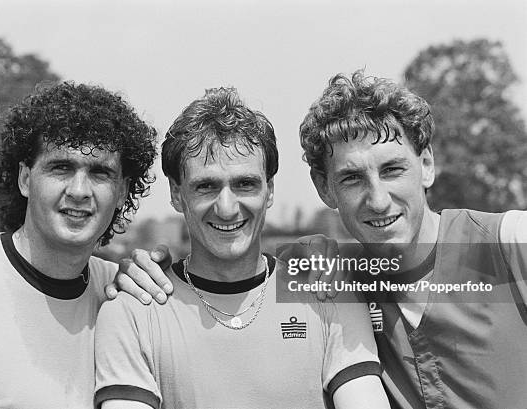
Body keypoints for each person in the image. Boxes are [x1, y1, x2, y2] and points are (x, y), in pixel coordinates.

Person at [94, 87, 391, 409]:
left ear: (269, 189)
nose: (226, 207)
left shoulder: (326, 290)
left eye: (244, 184)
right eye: (206, 186)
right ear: (177, 194)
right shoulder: (134, 309)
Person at [0, 82, 159, 408]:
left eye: (100, 172)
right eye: (61, 167)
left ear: (121, 191)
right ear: (25, 179)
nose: (79, 190)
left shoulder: (122, 297)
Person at [298, 70, 527, 409]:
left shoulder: (508, 244)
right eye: (351, 178)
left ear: (427, 165)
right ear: (324, 188)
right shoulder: (334, 280)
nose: (377, 200)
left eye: (392, 170)